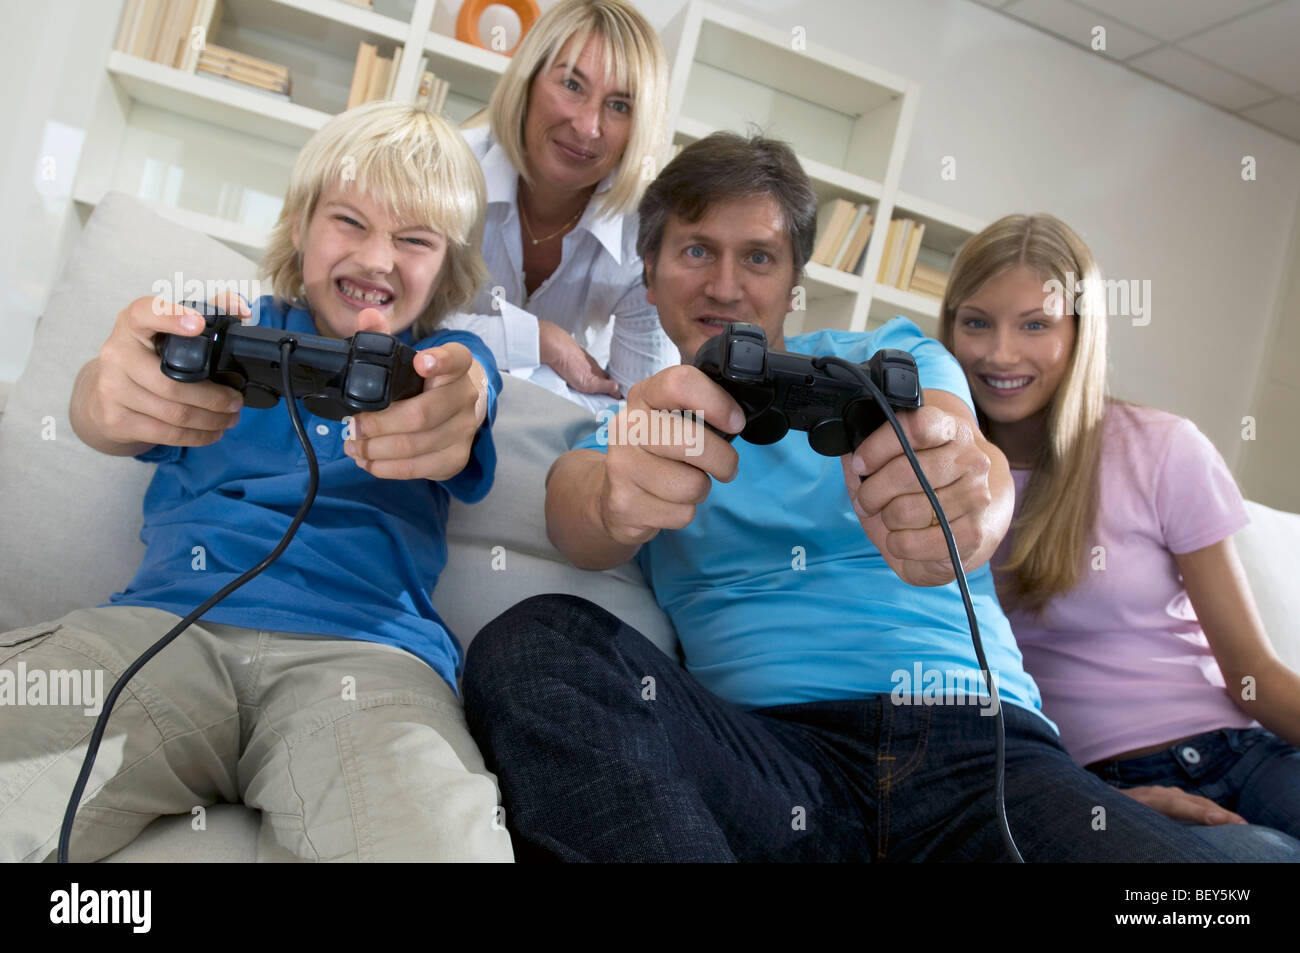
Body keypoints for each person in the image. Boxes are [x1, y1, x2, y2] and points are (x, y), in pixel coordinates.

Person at [458, 132, 1233, 862]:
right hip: (773, 765)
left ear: (794, 283)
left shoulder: (888, 356)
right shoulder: (641, 417)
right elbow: (578, 510)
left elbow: (971, 456)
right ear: (650, 272)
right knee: (531, 641)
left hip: (984, 754)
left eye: (758, 256)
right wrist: (613, 500)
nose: (725, 285)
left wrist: (972, 507)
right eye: (697, 250)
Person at [0, 102, 513, 862]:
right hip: (168, 631)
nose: (377, 259)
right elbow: (107, 400)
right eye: (349, 220)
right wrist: (102, 395)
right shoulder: (219, 330)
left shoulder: (450, 359)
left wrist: (458, 406)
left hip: (366, 662)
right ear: (301, 225)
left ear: (449, 266)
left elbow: (468, 396)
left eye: (413, 239)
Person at [941, 213, 1300, 861]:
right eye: (977, 322)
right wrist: (1076, 796)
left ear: (1081, 332)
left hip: (1235, 749)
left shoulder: (1162, 448)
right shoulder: (929, 477)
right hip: (1094, 787)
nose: (999, 353)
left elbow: (1254, 673)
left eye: (1034, 324)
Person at [440, 0, 677, 412]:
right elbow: (388, 320)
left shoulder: (647, 232)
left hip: (558, 450)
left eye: (619, 105)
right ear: (528, 80)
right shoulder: (446, 169)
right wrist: (539, 341)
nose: (588, 126)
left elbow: (640, 412)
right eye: (572, 85)